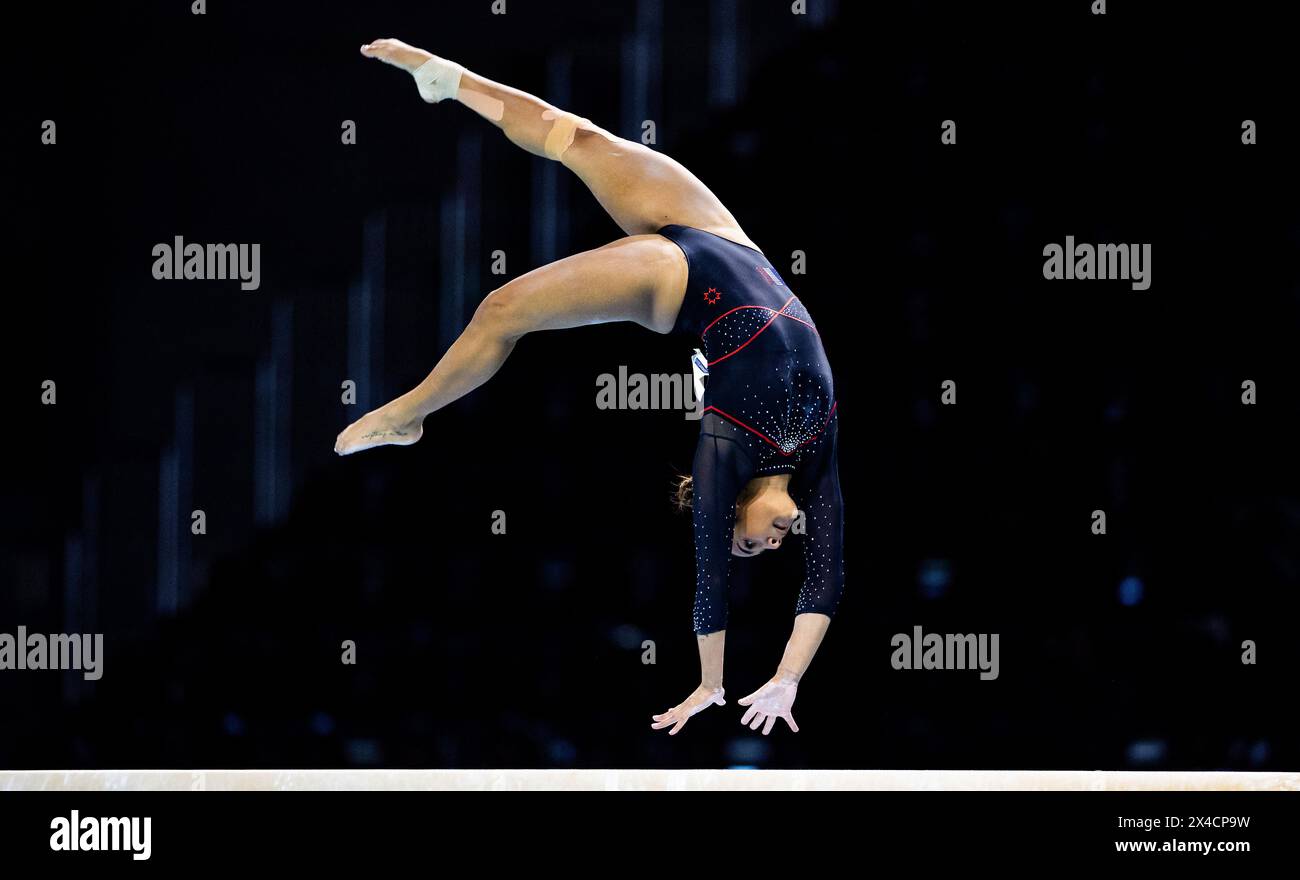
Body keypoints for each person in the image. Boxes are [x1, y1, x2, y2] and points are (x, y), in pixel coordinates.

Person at [337, 39, 844, 736]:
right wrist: (786, 681)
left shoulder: (726, 458)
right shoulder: (814, 469)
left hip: (691, 287)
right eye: (765, 548)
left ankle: (408, 414)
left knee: (504, 310)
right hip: (731, 243)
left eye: (753, 546)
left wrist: (710, 685)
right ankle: (448, 79)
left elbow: (710, 591)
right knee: (576, 135)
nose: (776, 543)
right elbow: (825, 585)